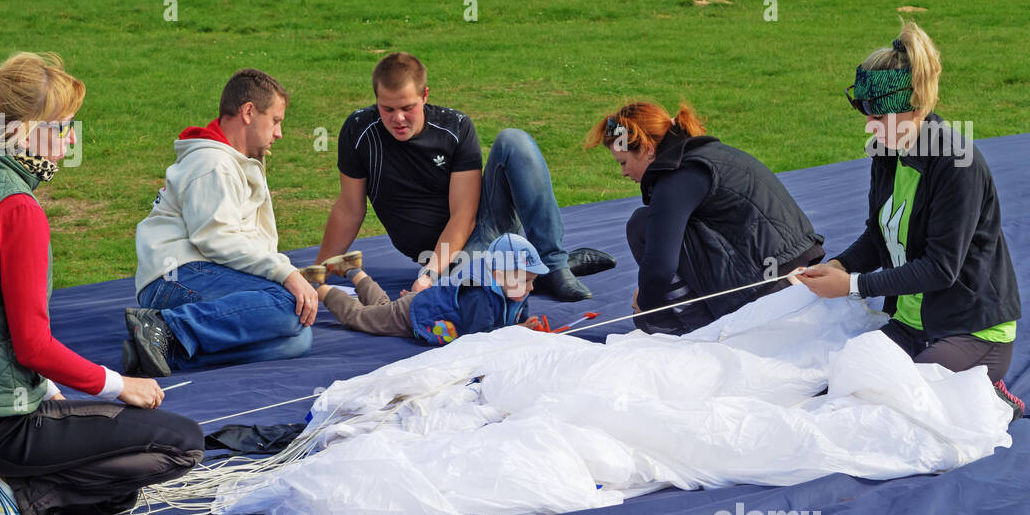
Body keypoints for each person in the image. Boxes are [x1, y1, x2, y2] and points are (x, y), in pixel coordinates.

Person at [0, 53, 203, 515]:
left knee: (114, 494)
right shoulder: (17, 210)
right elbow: (32, 347)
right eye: (62, 128)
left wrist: (41, 389)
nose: (70, 142)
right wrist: (118, 385)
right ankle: (17, 496)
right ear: (23, 133)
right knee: (182, 445)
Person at [794, 23, 1025, 418]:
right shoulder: (886, 150)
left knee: (894, 408)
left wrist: (851, 285)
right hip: (911, 324)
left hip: (971, 330)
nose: (869, 125)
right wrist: (840, 265)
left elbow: (941, 269)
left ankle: (990, 392)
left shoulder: (956, 163)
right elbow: (877, 234)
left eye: (878, 116)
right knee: (836, 396)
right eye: (866, 114)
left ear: (915, 110)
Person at [315, 52, 615, 302]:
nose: (398, 119)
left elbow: (464, 216)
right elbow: (350, 208)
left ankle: (554, 263)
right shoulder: (358, 131)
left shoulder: (456, 128)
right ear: (375, 100)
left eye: (408, 108)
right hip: (435, 256)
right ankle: (529, 270)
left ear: (425, 95)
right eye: (387, 109)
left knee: (515, 140)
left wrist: (429, 276)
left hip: (479, 230)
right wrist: (319, 273)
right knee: (474, 291)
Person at [126, 69, 316, 376]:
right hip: (175, 278)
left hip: (194, 273)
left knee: (298, 339)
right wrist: (285, 273)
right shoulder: (213, 164)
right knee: (285, 304)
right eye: (276, 121)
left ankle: (161, 348)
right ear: (249, 112)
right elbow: (216, 239)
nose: (279, 133)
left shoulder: (227, 160)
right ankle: (163, 326)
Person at [584, 100, 825, 334]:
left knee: (642, 225)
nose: (624, 173)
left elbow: (659, 266)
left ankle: (693, 328)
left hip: (768, 287)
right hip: (794, 273)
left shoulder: (677, 176)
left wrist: (645, 306)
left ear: (647, 150)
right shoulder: (707, 155)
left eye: (624, 162)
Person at [308, 234, 548, 345]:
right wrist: (516, 332)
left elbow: (513, 321)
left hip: (427, 304)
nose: (531, 287)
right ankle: (320, 289)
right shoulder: (478, 294)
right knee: (361, 318)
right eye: (525, 280)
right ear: (498, 275)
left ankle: (353, 270)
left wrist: (526, 329)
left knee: (382, 308)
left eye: (531, 280)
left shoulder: (514, 291)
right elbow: (478, 341)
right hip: (413, 314)